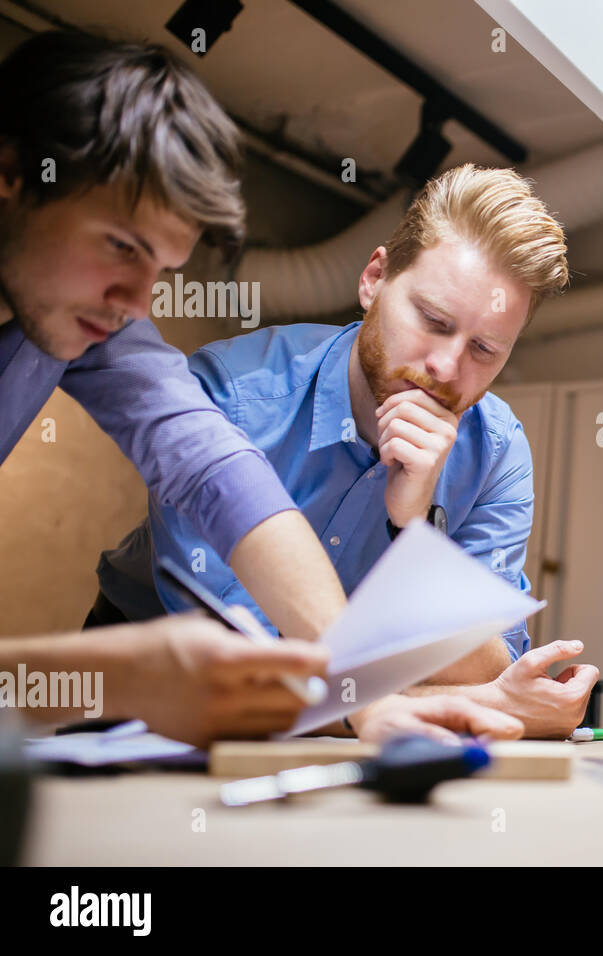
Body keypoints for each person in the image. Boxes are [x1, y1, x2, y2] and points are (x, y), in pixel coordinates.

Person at [91, 164, 598, 742]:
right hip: (146, 688)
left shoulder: (498, 451)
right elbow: (245, 674)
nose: (447, 367)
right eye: (433, 321)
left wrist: (412, 531)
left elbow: (493, 663)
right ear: (374, 279)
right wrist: (472, 702)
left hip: (346, 722)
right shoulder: (231, 397)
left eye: (484, 348)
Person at [0, 31, 349, 745]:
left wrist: (351, 684)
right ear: (10, 173)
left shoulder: (89, 318)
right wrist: (123, 677)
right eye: (122, 246)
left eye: (160, 269)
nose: (136, 300)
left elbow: (213, 468)